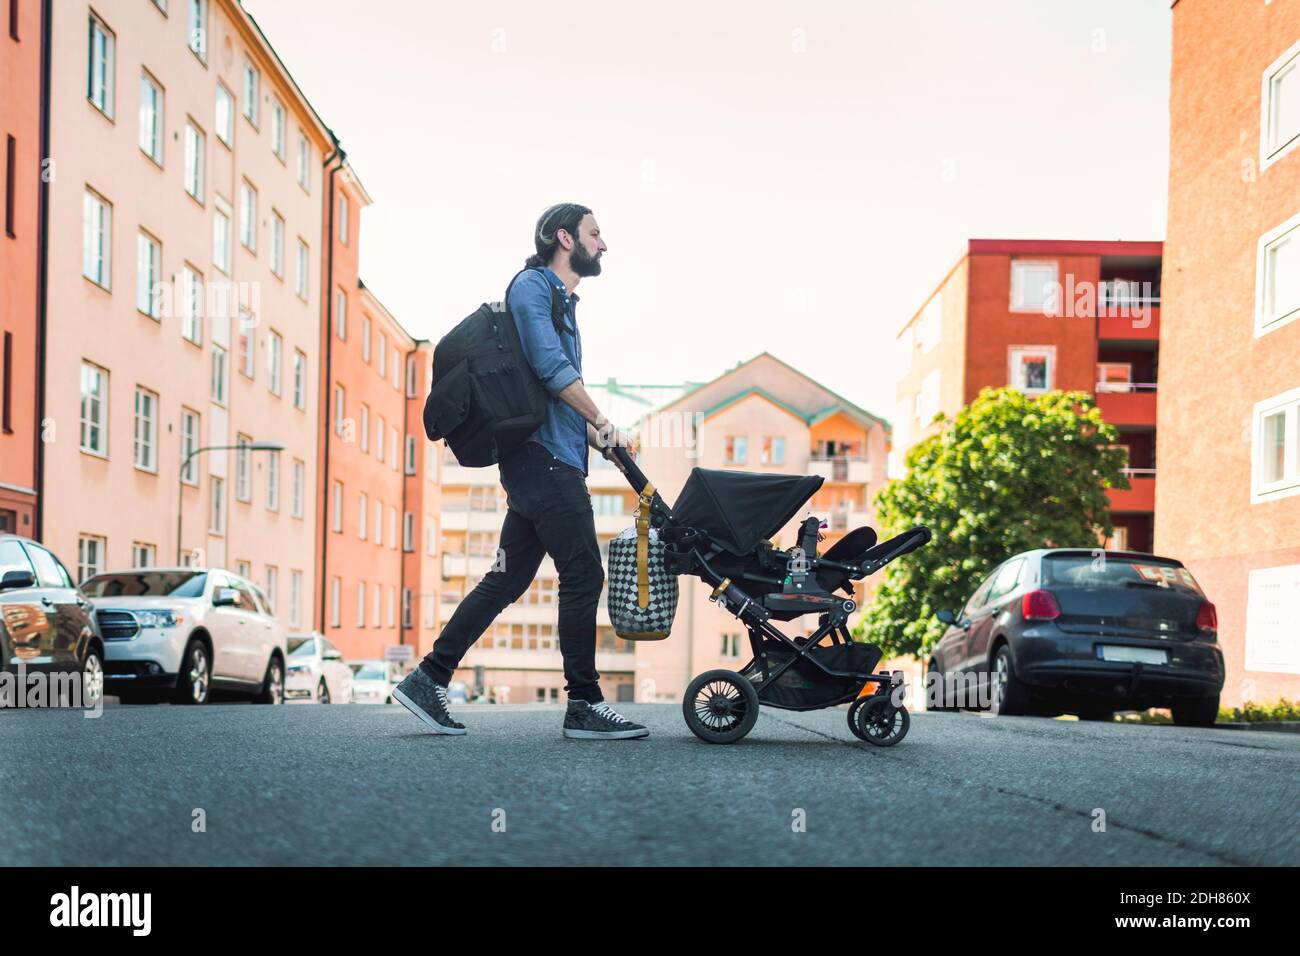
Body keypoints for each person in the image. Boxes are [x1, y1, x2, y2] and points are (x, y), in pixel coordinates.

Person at [393, 203, 649, 740]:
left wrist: (594, 437)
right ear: (564, 237)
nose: (603, 245)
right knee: (583, 573)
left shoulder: (563, 302)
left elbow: (550, 390)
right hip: (543, 464)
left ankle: (428, 677)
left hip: (548, 458)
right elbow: (553, 371)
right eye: (595, 234)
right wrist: (601, 420)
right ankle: (583, 703)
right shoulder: (533, 287)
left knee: (507, 578)